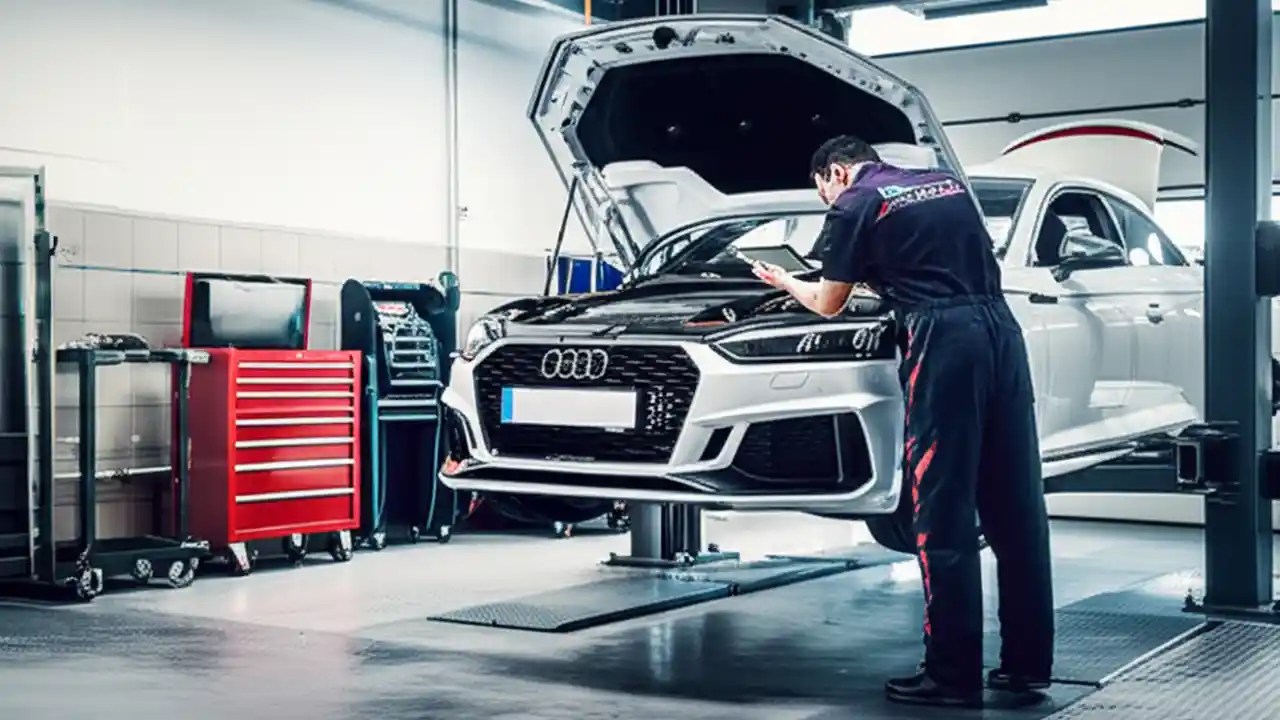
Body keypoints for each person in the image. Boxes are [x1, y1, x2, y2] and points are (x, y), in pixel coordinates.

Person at [751, 135, 1055, 708]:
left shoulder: (855, 202)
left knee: (942, 508)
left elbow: (828, 303)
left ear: (835, 173)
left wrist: (784, 281)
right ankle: (1027, 666)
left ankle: (951, 675)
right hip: (1000, 332)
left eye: (821, 191)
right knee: (1017, 506)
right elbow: (937, 258)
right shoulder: (943, 184)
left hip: (943, 343)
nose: (825, 201)